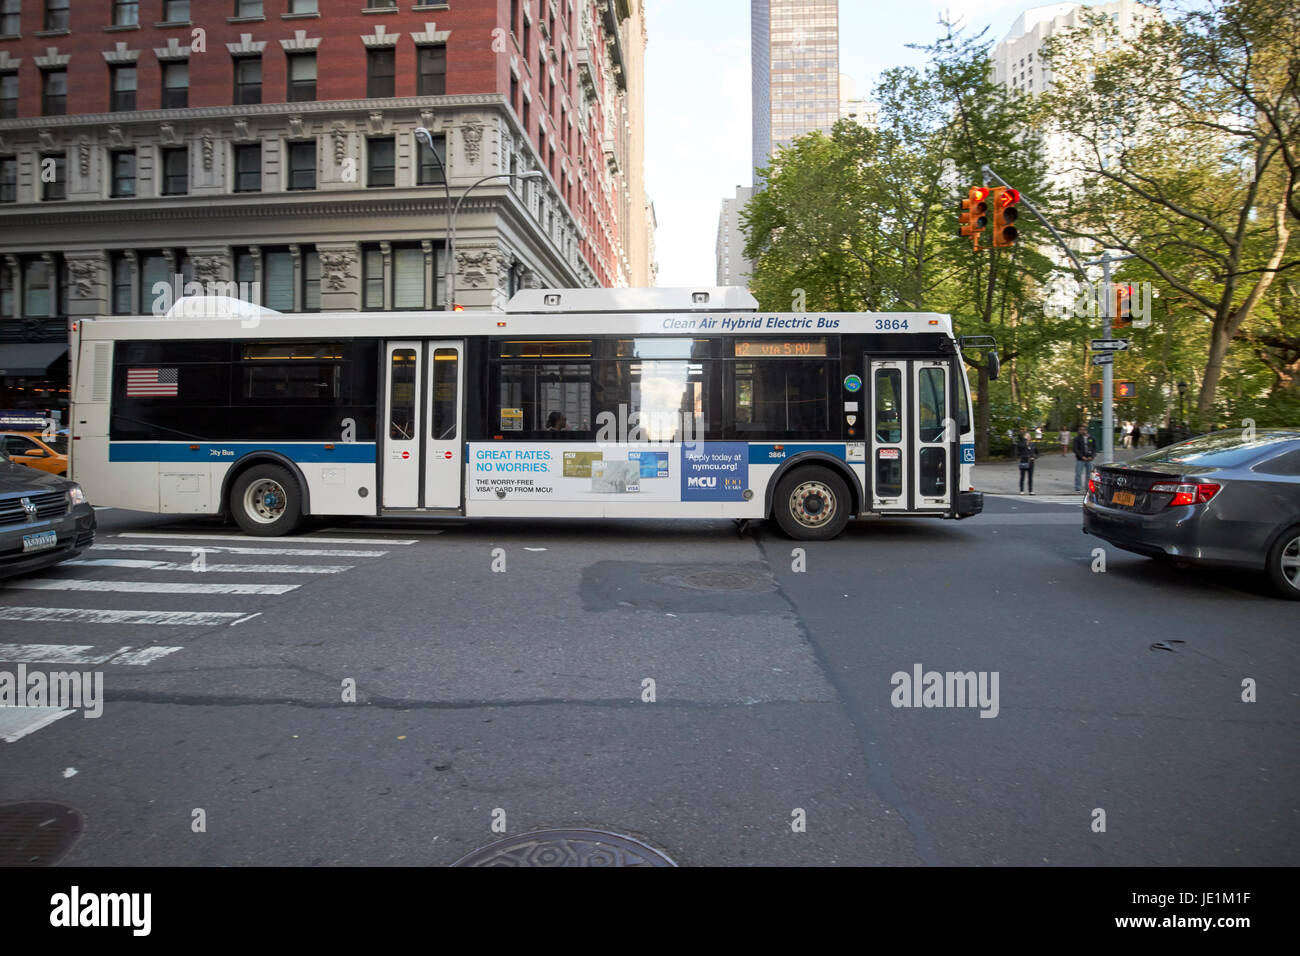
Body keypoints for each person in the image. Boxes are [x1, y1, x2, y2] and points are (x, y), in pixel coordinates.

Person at [1014, 430, 1038, 495]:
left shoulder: (1032, 444)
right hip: (1024, 461)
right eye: (1027, 435)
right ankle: (1022, 490)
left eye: (1029, 435)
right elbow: (1019, 450)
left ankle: (1030, 491)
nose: (1028, 436)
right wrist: (1024, 441)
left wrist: (1034, 457)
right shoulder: (1021, 444)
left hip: (1031, 462)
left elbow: (1037, 452)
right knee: (1022, 477)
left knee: (1030, 477)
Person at [1073, 424, 1096, 492]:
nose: (1081, 431)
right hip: (1080, 459)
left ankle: (1088, 487)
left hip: (1089, 459)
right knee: (1078, 474)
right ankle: (1078, 487)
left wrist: (1091, 456)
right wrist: (1081, 456)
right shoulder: (1077, 438)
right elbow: (1075, 449)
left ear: (1086, 430)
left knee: (1089, 474)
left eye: (1082, 430)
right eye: (1080, 430)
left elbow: (1094, 448)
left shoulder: (1091, 438)